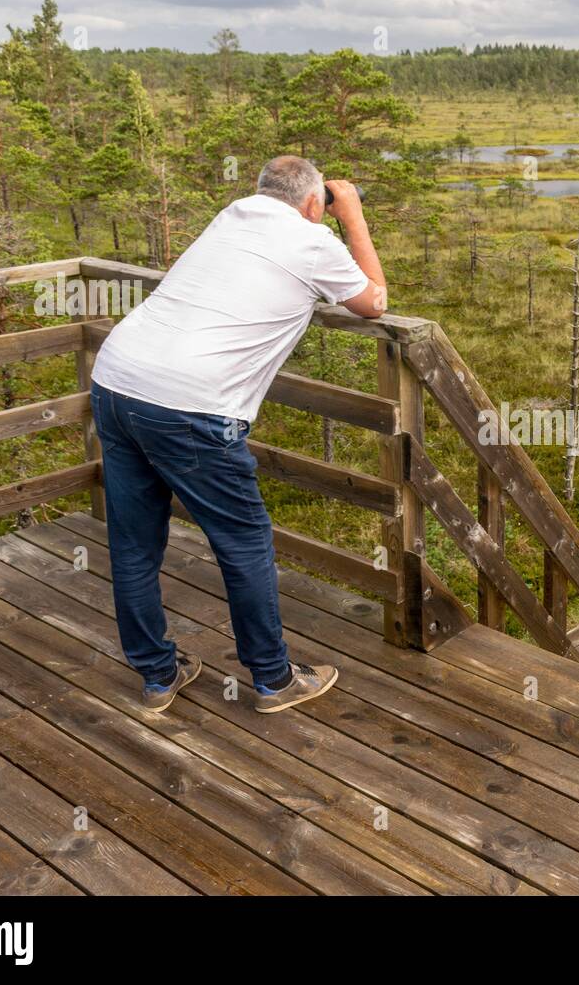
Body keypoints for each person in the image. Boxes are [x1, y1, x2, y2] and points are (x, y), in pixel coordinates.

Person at [89, 156, 387, 714]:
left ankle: (158, 675)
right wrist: (353, 219)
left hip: (115, 382)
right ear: (312, 205)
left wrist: (322, 209)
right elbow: (374, 302)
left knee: (133, 543)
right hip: (190, 406)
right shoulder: (313, 240)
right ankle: (274, 679)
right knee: (243, 542)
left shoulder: (232, 215)